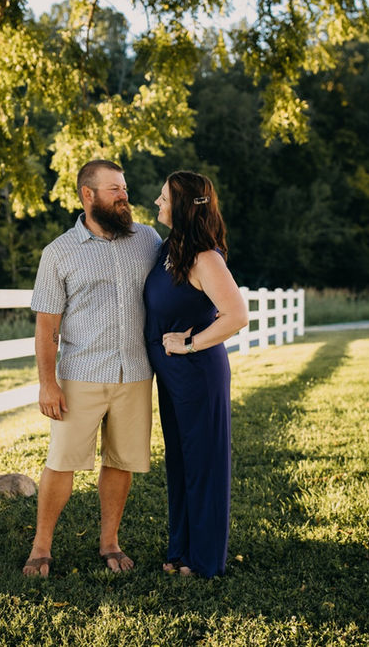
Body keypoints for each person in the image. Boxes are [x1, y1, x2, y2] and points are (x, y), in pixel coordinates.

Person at [23, 159, 162, 578]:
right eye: (115, 189)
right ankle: (40, 547)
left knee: (120, 462)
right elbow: (47, 326)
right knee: (62, 461)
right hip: (81, 374)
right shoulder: (59, 253)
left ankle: (110, 543)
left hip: (136, 373)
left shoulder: (149, 240)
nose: (125, 196)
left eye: (124, 187)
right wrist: (48, 384)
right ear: (88, 195)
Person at [143, 171, 248, 578]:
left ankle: (204, 561)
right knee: (181, 463)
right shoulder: (170, 248)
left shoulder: (205, 257)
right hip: (172, 378)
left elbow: (237, 315)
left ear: (183, 206)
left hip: (198, 372)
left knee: (204, 464)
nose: (157, 201)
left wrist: (189, 344)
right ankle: (180, 550)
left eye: (165, 197)